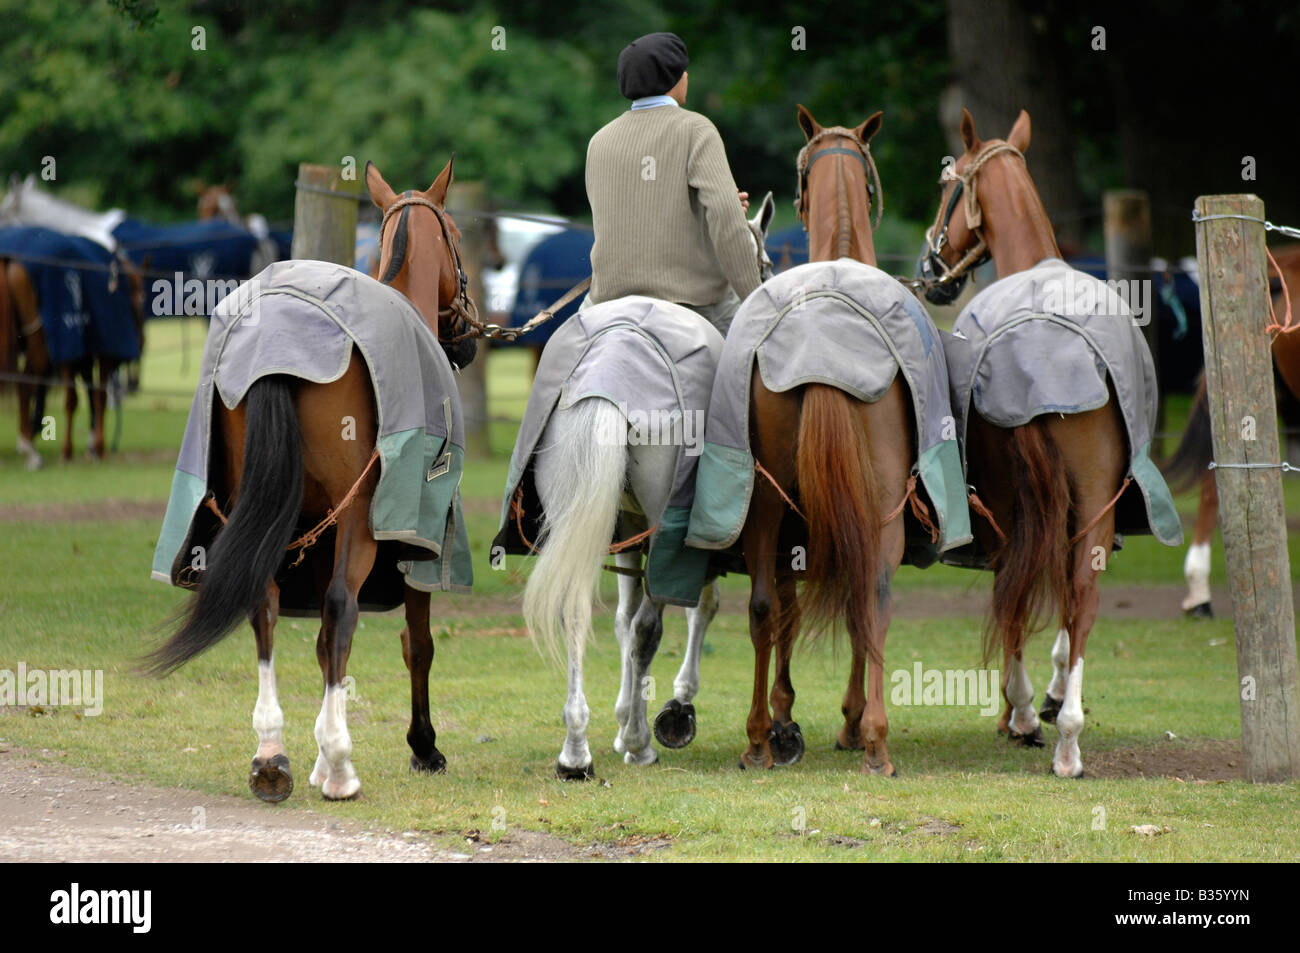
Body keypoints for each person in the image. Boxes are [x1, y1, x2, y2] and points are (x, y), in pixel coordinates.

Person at [583, 31, 760, 335]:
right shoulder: (696, 129)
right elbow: (728, 221)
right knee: (760, 355)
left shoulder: (599, 141)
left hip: (604, 302)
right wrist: (756, 298)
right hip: (692, 302)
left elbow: (639, 209)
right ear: (676, 78)